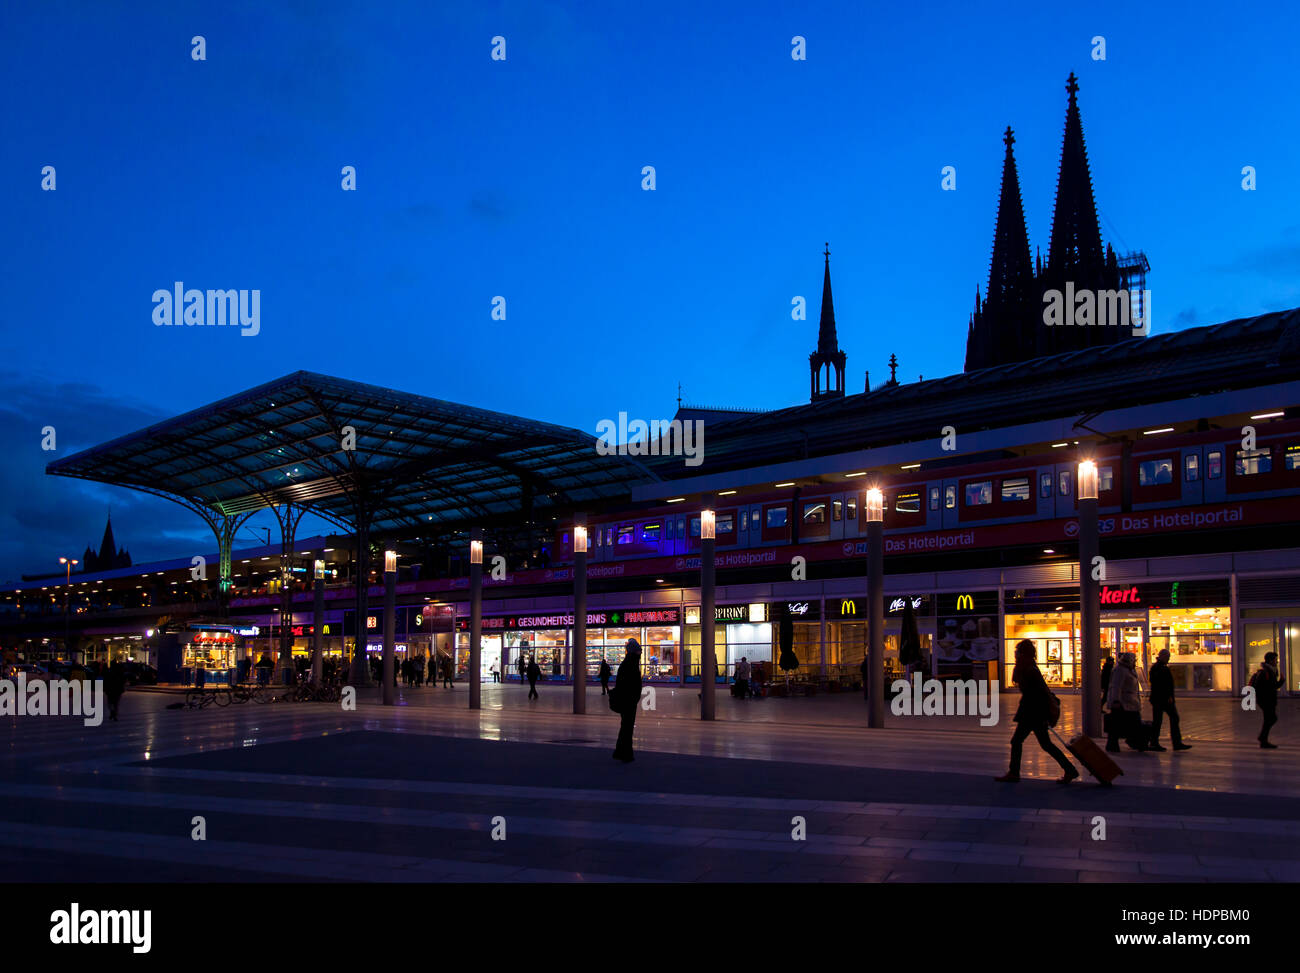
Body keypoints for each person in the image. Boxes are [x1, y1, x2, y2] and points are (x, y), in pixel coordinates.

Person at [995, 640, 1078, 783]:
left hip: (1032, 713)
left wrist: (1041, 714)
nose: (1016, 653)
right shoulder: (1028, 666)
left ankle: (1014, 773)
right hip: (1034, 713)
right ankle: (1070, 770)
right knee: (1045, 744)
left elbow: (1036, 693)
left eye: (1018, 650)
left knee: (1017, 741)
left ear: (1022, 652)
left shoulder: (1028, 669)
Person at [1148, 648, 1191, 752]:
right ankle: (1173, 743)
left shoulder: (1157, 667)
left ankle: (1158, 742)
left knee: (1160, 720)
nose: (1169, 659)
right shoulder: (1160, 668)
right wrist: (1169, 697)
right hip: (1163, 699)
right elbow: (1163, 685)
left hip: (1160, 699)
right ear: (1163, 657)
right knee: (1169, 719)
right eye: (1167, 657)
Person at [1105, 651, 1146, 753]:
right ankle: (1134, 742)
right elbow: (1116, 686)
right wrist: (1116, 700)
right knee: (1127, 723)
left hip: (1130, 702)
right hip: (1123, 703)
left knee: (1121, 724)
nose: (1135, 662)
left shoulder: (1129, 670)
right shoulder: (1120, 670)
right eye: (1134, 660)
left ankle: (1130, 741)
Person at [611, 639, 643, 762]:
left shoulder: (627, 663)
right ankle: (625, 753)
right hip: (628, 700)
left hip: (628, 699)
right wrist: (634, 697)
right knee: (627, 727)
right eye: (638, 651)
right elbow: (629, 684)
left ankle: (620, 751)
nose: (639, 654)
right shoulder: (631, 664)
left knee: (625, 726)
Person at [1252, 651, 1284, 748]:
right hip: (1266, 700)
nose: (1276, 662)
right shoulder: (1266, 672)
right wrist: (1281, 681)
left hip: (1267, 700)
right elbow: (1269, 686)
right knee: (1271, 718)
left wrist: (1280, 681)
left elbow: (1272, 686)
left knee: (1269, 719)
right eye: (1275, 660)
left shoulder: (1271, 670)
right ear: (1270, 661)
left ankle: (1263, 740)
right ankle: (1262, 738)